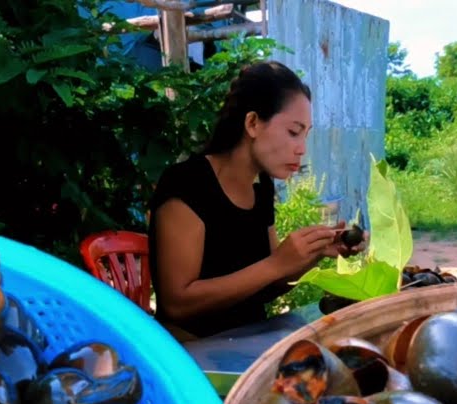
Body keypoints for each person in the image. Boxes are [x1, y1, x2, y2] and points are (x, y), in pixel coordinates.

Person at [146, 60, 365, 340]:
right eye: (293, 132)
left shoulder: (260, 188)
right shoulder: (188, 184)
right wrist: (276, 264)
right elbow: (177, 304)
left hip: (248, 344)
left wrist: (311, 256)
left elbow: (266, 286)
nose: (301, 150)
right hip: (195, 357)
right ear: (252, 123)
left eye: (305, 135)